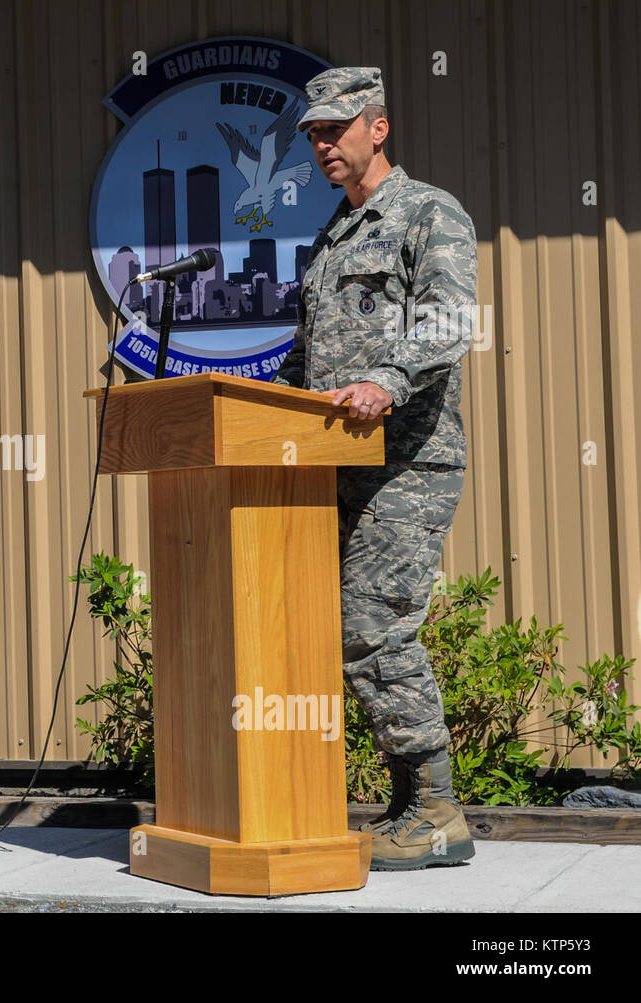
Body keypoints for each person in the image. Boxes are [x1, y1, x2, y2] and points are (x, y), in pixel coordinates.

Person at [270, 68, 478, 870]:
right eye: (314, 134)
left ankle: (435, 808)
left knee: (373, 627)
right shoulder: (328, 241)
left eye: (335, 129)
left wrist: (385, 382)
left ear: (377, 127)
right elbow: (302, 359)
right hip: (335, 465)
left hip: (409, 462)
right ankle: (406, 803)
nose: (323, 144)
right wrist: (265, 404)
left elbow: (451, 320)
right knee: (347, 630)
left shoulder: (429, 212)